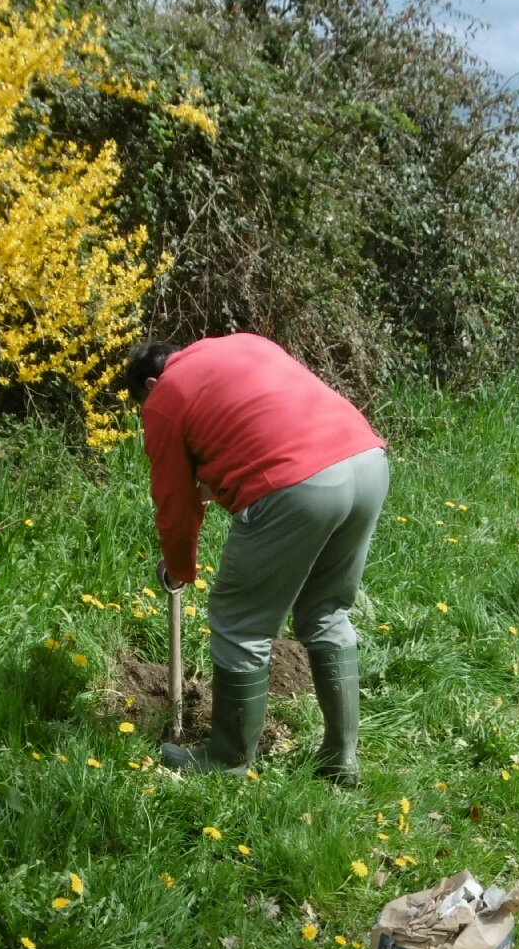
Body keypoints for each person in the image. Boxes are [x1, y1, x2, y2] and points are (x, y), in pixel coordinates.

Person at [122, 333, 389, 783]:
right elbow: (262, 428)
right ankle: (341, 758)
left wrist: (180, 567)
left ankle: (227, 760)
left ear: (150, 383)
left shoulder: (164, 398)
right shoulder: (243, 345)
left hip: (299, 486)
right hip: (366, 461)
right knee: (326, 612)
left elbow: (174, 501)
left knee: (240, 623)